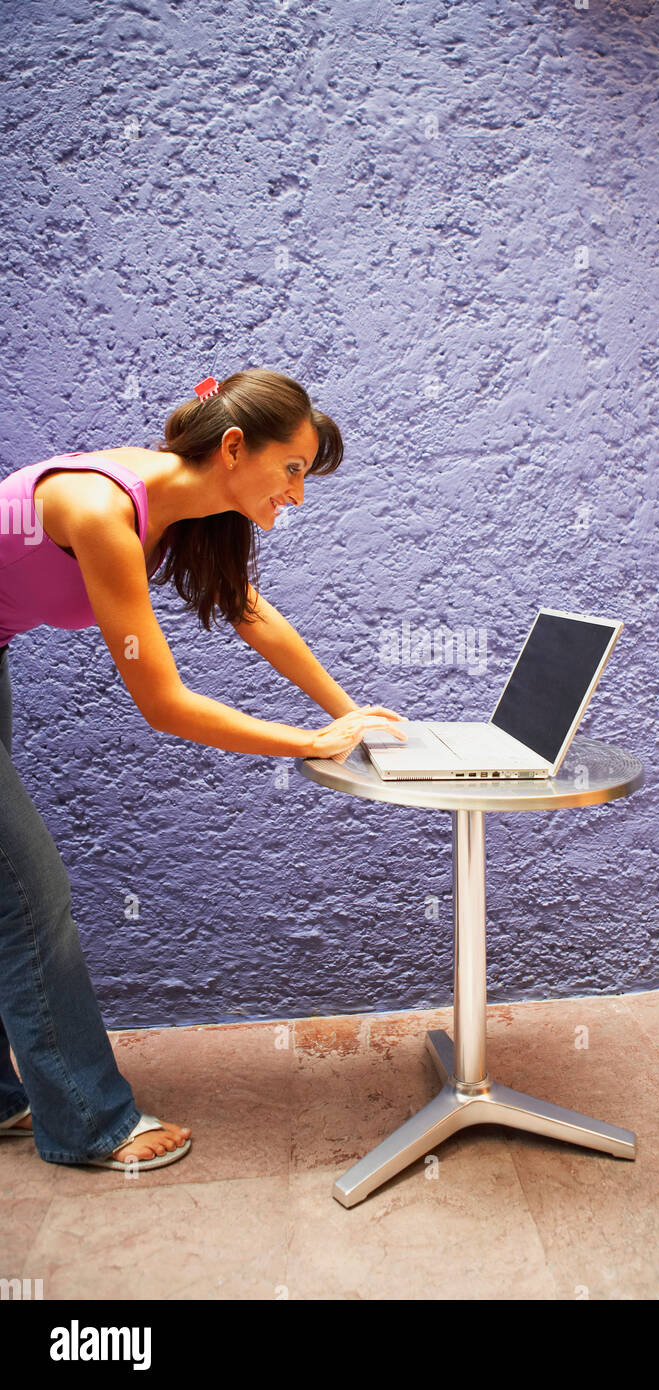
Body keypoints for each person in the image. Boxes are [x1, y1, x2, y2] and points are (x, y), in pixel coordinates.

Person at [0, 367, 407, 1172]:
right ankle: (88, 1123)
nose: (296, 494)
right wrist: (308, 744)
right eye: (291, 469)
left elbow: (250, 612)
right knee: (30, 895)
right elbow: (165, 704)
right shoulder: (101, 509)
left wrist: (349, 714)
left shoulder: (191, 508)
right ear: (232, 448)